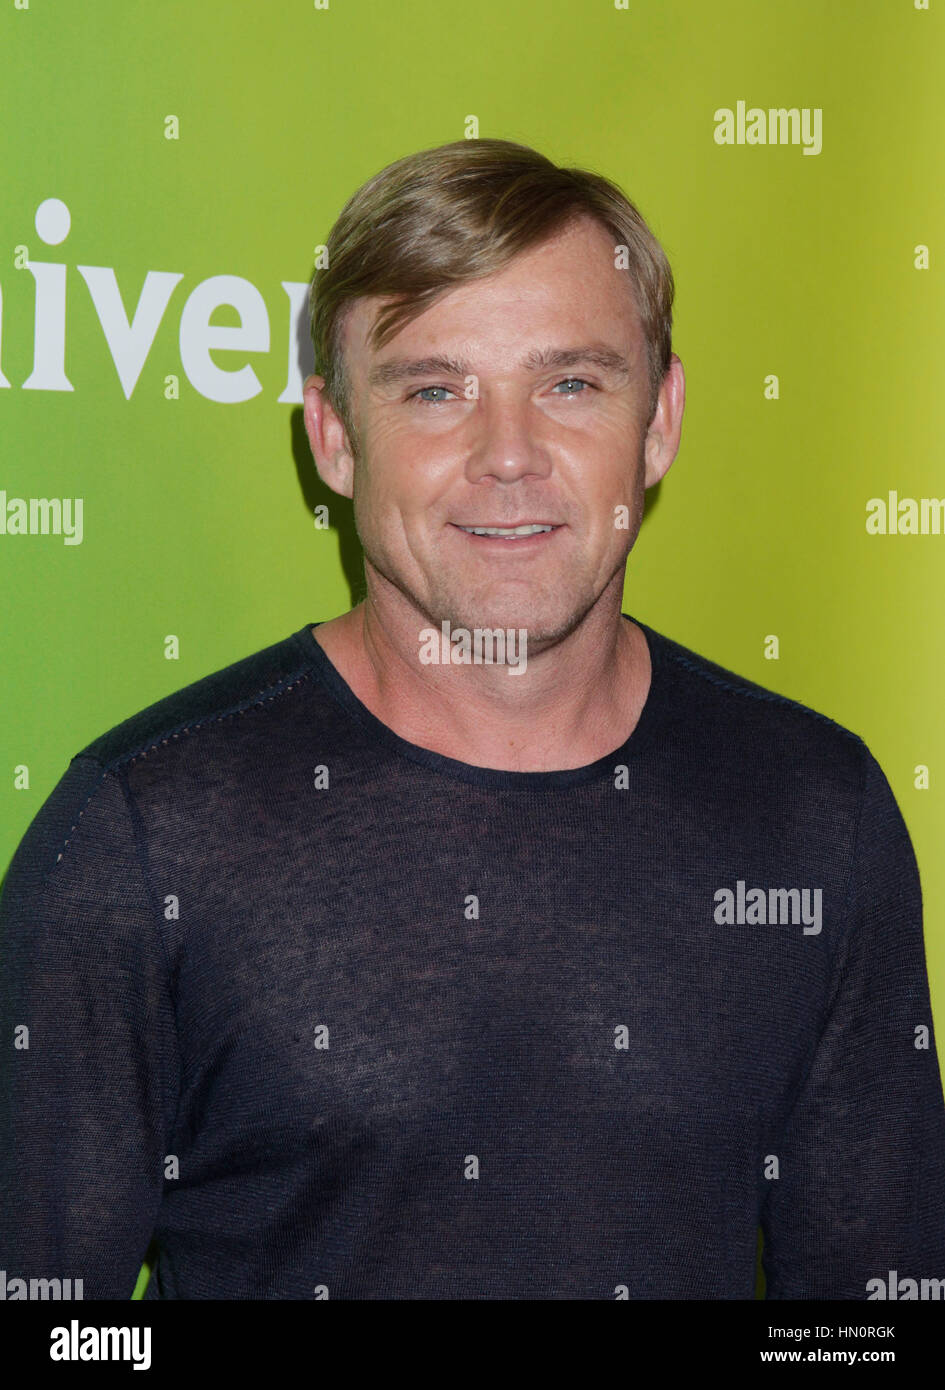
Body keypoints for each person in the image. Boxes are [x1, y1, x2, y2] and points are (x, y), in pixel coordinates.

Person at [1, 138, 943, 1300]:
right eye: (436, 389)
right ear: (335, 438)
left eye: (571, 383)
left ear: (661, 422)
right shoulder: (141, 833)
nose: (508, 456)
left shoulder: (817, 812)